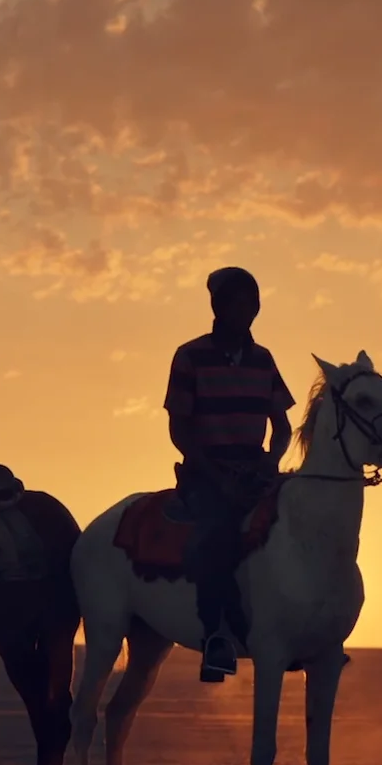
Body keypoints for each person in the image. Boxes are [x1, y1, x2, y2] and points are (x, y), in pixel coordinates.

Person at [163, 267, 296, 682]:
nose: (247, 311)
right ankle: (215, 637)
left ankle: (304, 628)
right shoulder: (190, 356)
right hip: (208, 470)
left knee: (302, 521)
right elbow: (179, 428)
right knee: (216, 534)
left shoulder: (264, 359)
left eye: (252, 303)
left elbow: (283, 425)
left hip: (255, 468)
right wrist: (214, 474)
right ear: (218, 307)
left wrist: (271, 460)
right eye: (239, 302)